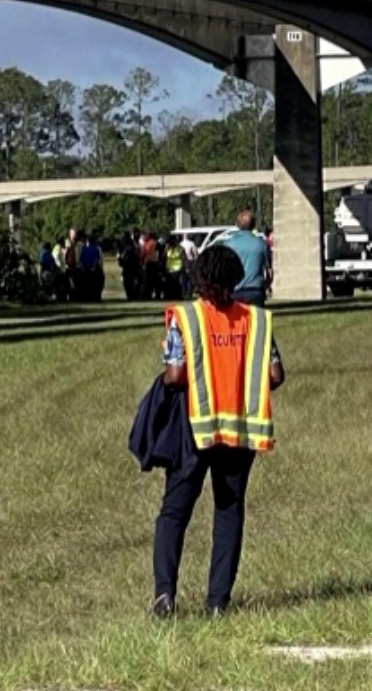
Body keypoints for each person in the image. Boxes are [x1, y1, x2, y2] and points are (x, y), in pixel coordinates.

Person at [150, 244, 284, 619]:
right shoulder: (257, 320)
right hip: (240, 430)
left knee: (174, 512)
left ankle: (164, 595)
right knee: (229, 512)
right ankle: (217, 603)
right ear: (235, 277)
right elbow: (275, 375)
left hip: (195, 430)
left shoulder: (187, 318)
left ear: (199, 278)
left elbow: (175, 374)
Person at [214, 208, 272, 305]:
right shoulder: (261, 244)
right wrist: (265, 285)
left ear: (237, 224)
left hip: (235, 291)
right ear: (253, 225)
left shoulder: (228, 244)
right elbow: (269, 271)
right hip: (255, 290)